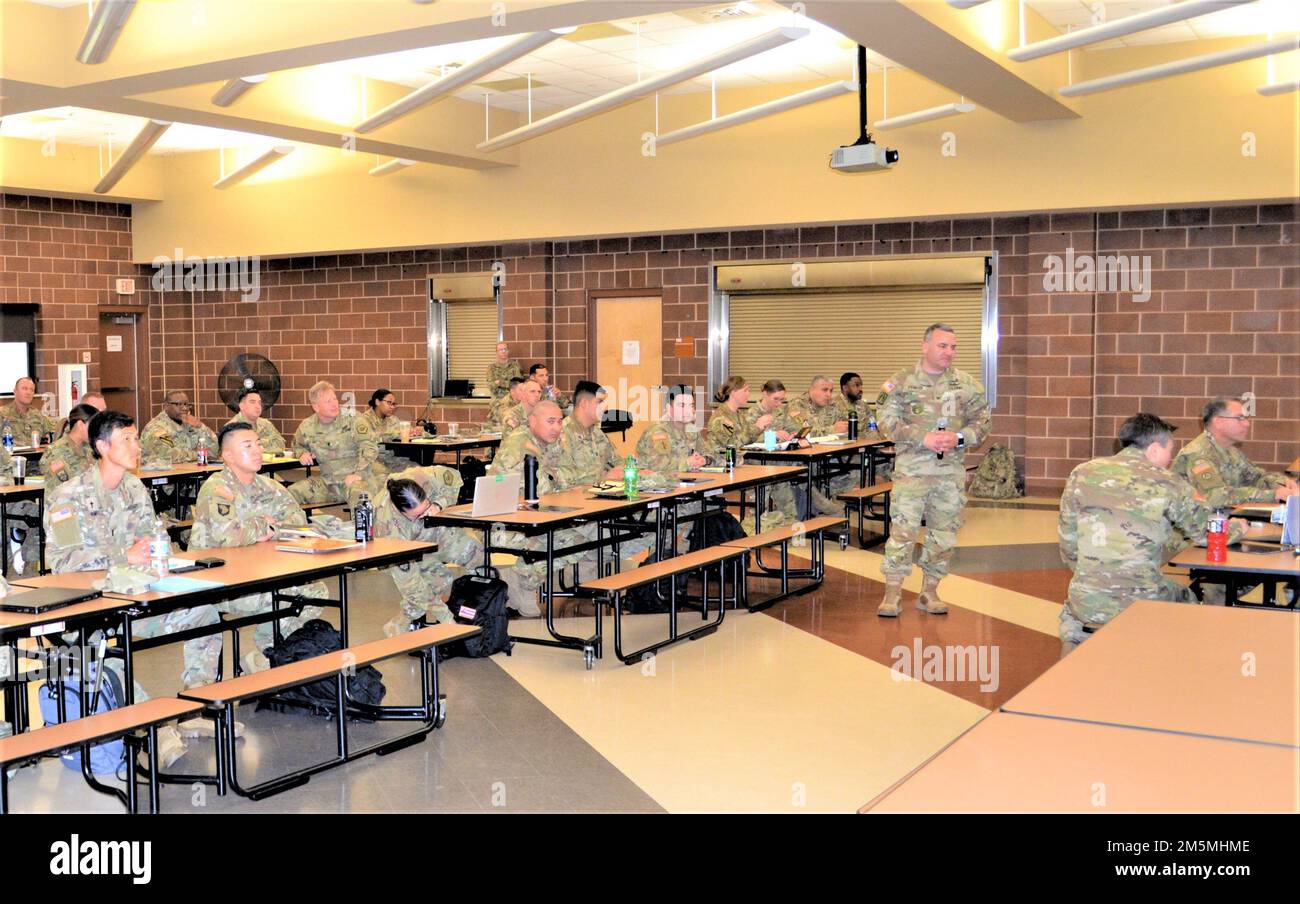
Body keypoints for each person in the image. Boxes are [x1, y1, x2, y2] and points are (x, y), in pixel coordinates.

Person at [44, 411, 221, 714]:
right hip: (89, 608)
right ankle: (150, 726)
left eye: (136, 438)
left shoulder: (135, 488)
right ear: (101, 446)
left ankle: (198, 703)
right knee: (107, 653)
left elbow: (156, 539)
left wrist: (158, 557)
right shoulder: (67, 497)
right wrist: (122, 556)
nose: (136, 446)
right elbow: (64, 563)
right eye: (126, 439)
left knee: (203, 613)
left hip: (134, 594)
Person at [1059, 413, 1249, 655]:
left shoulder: (1081, 473)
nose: (1171, 458)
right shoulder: (1169, 482)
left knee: (1072, 618)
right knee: (1189, 596)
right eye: (1170, 450)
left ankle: (1071, 664)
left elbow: (1069, 544)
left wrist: (1097, 577)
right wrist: (1239, 528)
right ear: (1155, 448)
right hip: (1144, 598)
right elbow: (1207, 535)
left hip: (1087, 597)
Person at [189, 422, 327, 678]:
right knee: (285, 594)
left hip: (260, 571)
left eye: (259, 444)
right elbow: (228, 535)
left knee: (315, 590)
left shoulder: (268, 486)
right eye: (248, 445)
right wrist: (263, 525)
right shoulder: (217, 488)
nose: (257, 450)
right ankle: (272, 658)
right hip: (224, 582)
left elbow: (298, 521)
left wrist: (264, 531)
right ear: (228, 455)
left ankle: (266, 658)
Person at [876, 323, 991, 617]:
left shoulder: (966, 385)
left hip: (949, 474)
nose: (949, 352)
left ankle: (930, 590)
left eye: (953, 347)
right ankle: (892, 592)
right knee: (903, 531)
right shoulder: (900, 382)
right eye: (943, 346)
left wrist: (960, 437)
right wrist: (921, 437)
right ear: (925, 346)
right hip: (912, 472)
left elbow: (983, 421)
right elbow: (884, 420)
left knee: (944, 534)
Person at [487, 400, 581, 616]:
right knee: (565, 538)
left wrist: (562, 480)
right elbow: (543, 487)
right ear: (532, 421)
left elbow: (575, 473)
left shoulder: (552, 442)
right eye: (550, 421)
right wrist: (562, 480)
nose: (556, 427)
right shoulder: (521, 443)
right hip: (503, 523)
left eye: (559, 422)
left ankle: (520, 581)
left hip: (535, 515)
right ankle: (521, 585)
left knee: (581, 535)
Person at [375, 467, 482, 636]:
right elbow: (413, 585)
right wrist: (447, 620)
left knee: (475, 552)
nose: (425, 514)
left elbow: (454, 479)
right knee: (437, 580)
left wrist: (439, 504)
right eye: (418, 514)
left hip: (432, 531)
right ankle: (398, 625)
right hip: (405, 547)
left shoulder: (423, 477)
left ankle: (478, 611)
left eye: (426, 507)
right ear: (402, 512)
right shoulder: (387, 528)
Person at [1171, 397, 1299, 508]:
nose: (1247, 424)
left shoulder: (1231, 452)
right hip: (1192, 532)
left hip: (1222, 523)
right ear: (1218, 422)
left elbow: (1256, 477)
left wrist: (1282, 483)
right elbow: (1215, 497)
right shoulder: (1198, 455)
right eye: (1240, 418)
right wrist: (1272, 495)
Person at [289, 381, 378, 507]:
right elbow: (297, 445)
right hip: (329, 484)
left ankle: (362, 527)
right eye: (327, 401)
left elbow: (369, 448)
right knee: (290, 494)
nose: (334, 404)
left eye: (334, 399)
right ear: (316, 407)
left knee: (362, 504)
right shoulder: (307, 426)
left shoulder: (354, 419)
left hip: (357, 481)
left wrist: (358, 474)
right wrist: (302, 453)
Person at [787, 375, 853, 518]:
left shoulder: (833, 406)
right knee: (804, 471)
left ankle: (834, 505)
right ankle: (821, 506)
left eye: (831, 390)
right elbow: (804, 431)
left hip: (827, 452)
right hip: (802, 455)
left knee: (852, 465)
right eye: (824, 390)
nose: (828, 395)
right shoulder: (797, 405)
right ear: (812, 389)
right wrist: (832, 429)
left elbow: (845, 425)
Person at [140, 390, 218, 463]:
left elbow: (215, 451)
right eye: (179, 404)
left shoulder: (189, 424)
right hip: (163, 474)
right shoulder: (157, 427)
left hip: (191, 472)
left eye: (186, 404)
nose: (184, 408)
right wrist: (198, 454)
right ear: (166, 405)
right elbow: (166, 455)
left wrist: (200, 426)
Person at [360, 387, 418, 477]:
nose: (392, 407)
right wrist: (395, 433)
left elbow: (403, 431)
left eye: (394, 404)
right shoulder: (364, 420)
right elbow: (372, 441)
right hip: (374, 462)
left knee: (418, 470)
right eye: (389, 403)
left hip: (392, 459)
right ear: (377, 402)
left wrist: (414, 432)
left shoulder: (392, 419)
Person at [39, 403, 97, 485]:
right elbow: (64, 483)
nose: (96, 430)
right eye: (93, 426)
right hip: (66, 496)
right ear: (80, 425)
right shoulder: (55, 451)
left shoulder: (89, 448)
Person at [225, 387, 287, 453]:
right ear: (241, 406)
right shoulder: (232, 428)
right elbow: (239, 451)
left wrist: (256, 446)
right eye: (252, 402)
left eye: (259, 403)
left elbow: (281, 445)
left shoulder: (265, 424)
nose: (257, 406)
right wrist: (267, 442)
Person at [0, 377, 57, 443]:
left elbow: (57, 430)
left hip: (35, 453)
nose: (28, 392)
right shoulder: (2, 414)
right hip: (11, 452)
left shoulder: (38, 415)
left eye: (31, 390)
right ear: (15, 391)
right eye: (24, 388)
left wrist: (51, 435)